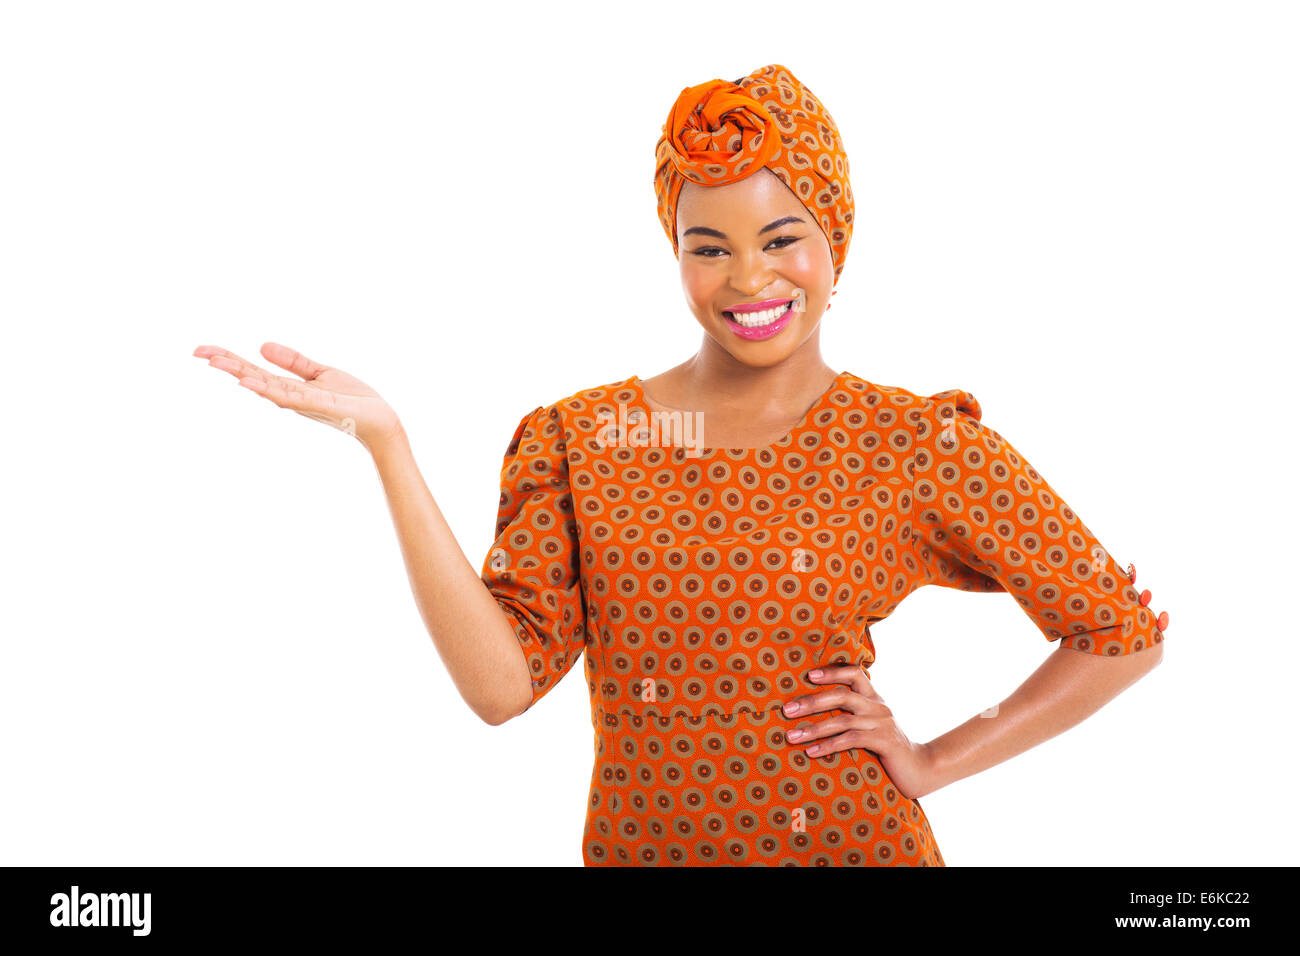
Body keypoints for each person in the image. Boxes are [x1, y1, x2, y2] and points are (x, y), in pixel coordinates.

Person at [193, 63, 1168, 866]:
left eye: (781, 238)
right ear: (676, 251)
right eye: (709, 247)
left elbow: (1119, 634)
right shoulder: (587, 437)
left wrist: (930, 759)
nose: (747, 279)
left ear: (835, 239)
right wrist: (389, 446)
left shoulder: (912, 444)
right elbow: (499, 687)